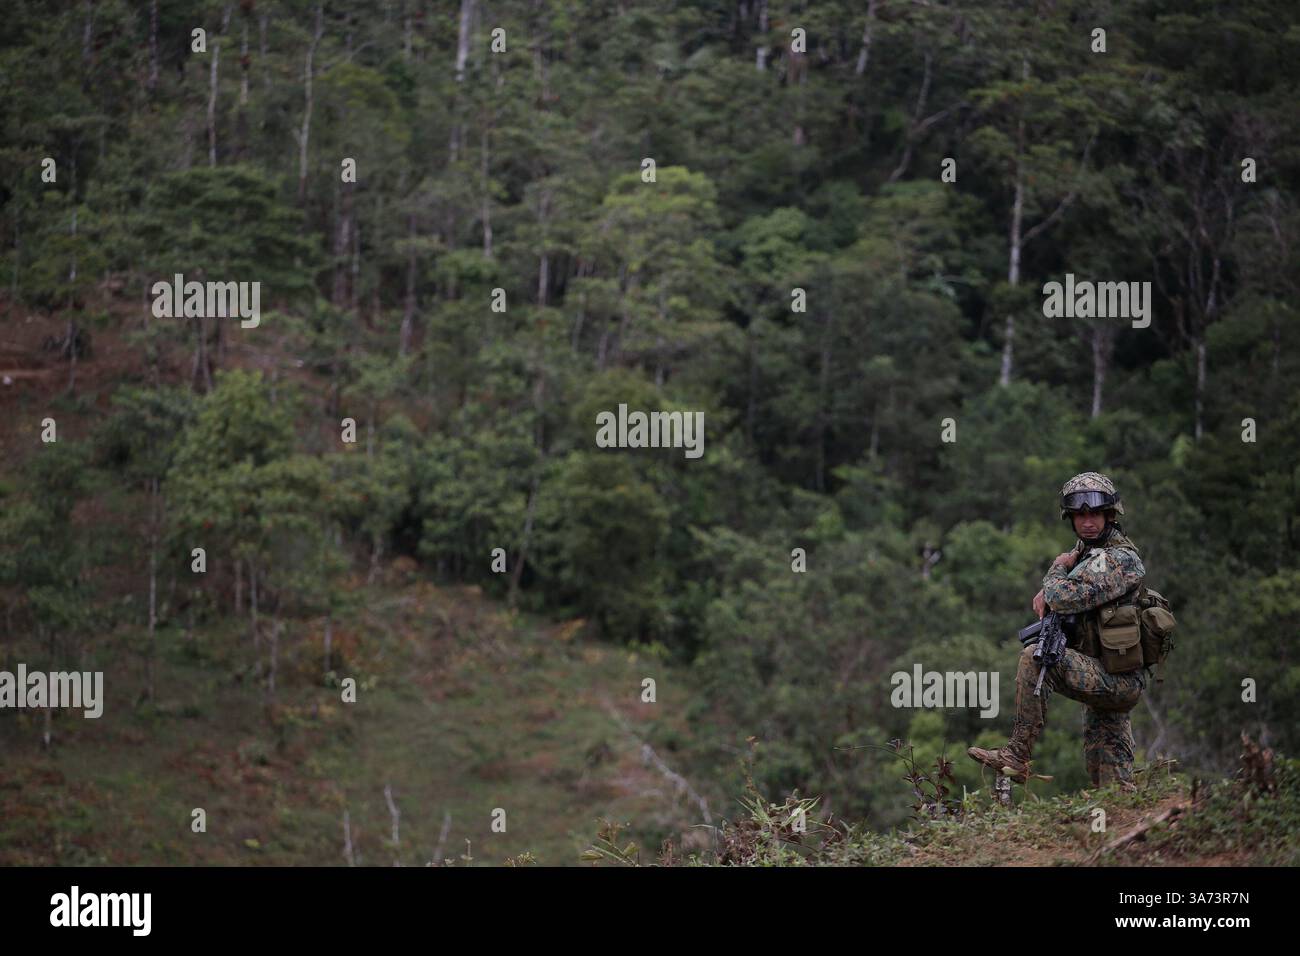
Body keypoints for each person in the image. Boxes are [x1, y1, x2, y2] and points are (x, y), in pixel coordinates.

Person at [967, 472, 1146, 791]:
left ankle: (1017, 755)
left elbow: (1060, 596)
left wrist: (1057, 569)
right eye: (1080, 515)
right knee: (1112, 788)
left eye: (1094, 514)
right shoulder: (1088, 553)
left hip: (1117, 680)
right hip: (1106, 674)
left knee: (1034, 659)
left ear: (1109, 515)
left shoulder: (1118, 558)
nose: (1087, 522)